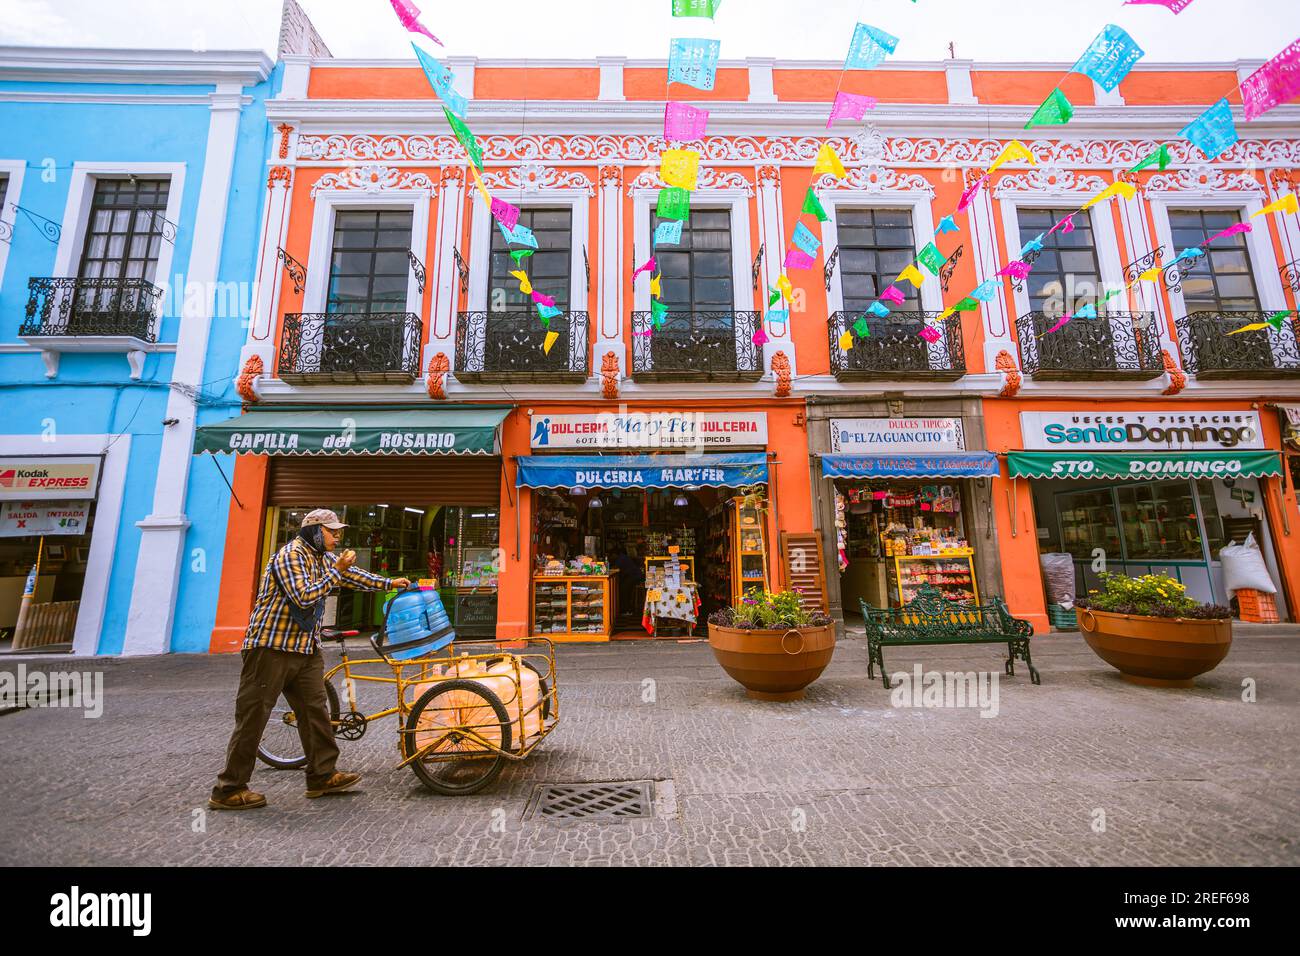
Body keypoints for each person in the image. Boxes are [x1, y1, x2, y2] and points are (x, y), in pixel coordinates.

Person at [209, 509, 410, 810]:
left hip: (304, 648)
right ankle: (228, 788)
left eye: (338, 532)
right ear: (314, 531)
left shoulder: (324, 558)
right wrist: (337, 569)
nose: (337, 537)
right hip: (271, 647)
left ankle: (322, 775)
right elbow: (303, 596)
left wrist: (389, 584)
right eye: (332, 532)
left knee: (316, 711)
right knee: (253, 716)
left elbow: (353, 577)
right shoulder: (290, 556)